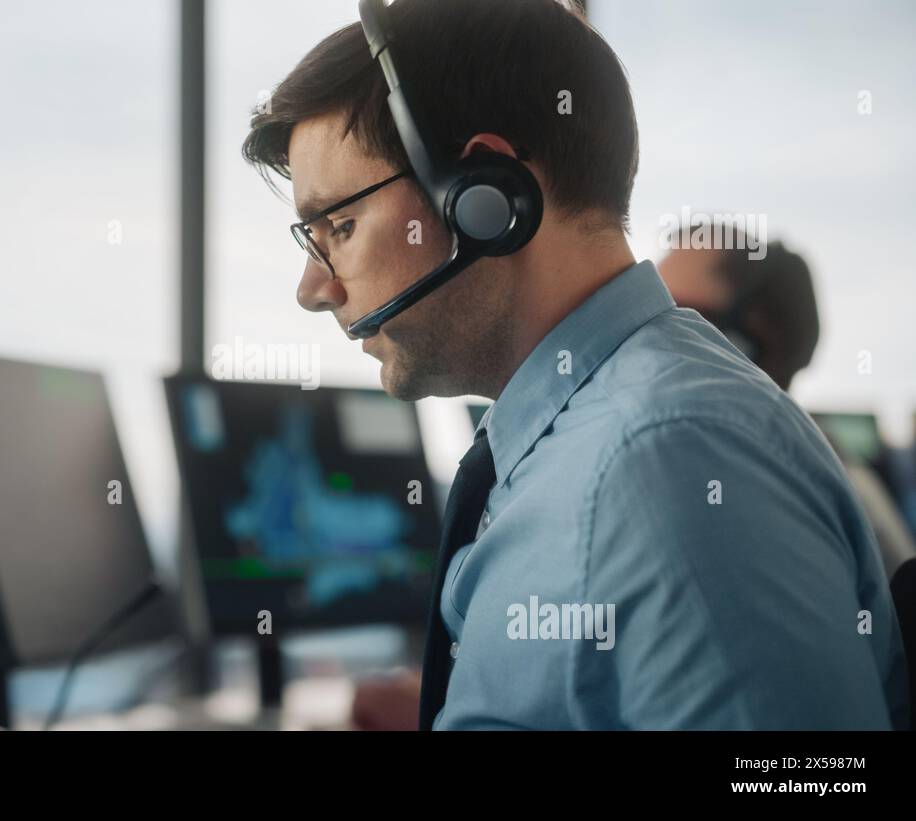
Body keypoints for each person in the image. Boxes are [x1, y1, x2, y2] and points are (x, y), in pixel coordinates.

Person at [241, 0, 907, 729]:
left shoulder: (663, 464)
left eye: (339, 225)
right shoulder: (570, 446)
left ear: (486, 196)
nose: (313, 290)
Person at [659, 240, 916, 580]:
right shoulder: (816, 459)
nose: (642, 336)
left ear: (741, 342)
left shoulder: (769, 492)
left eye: (673, 315)